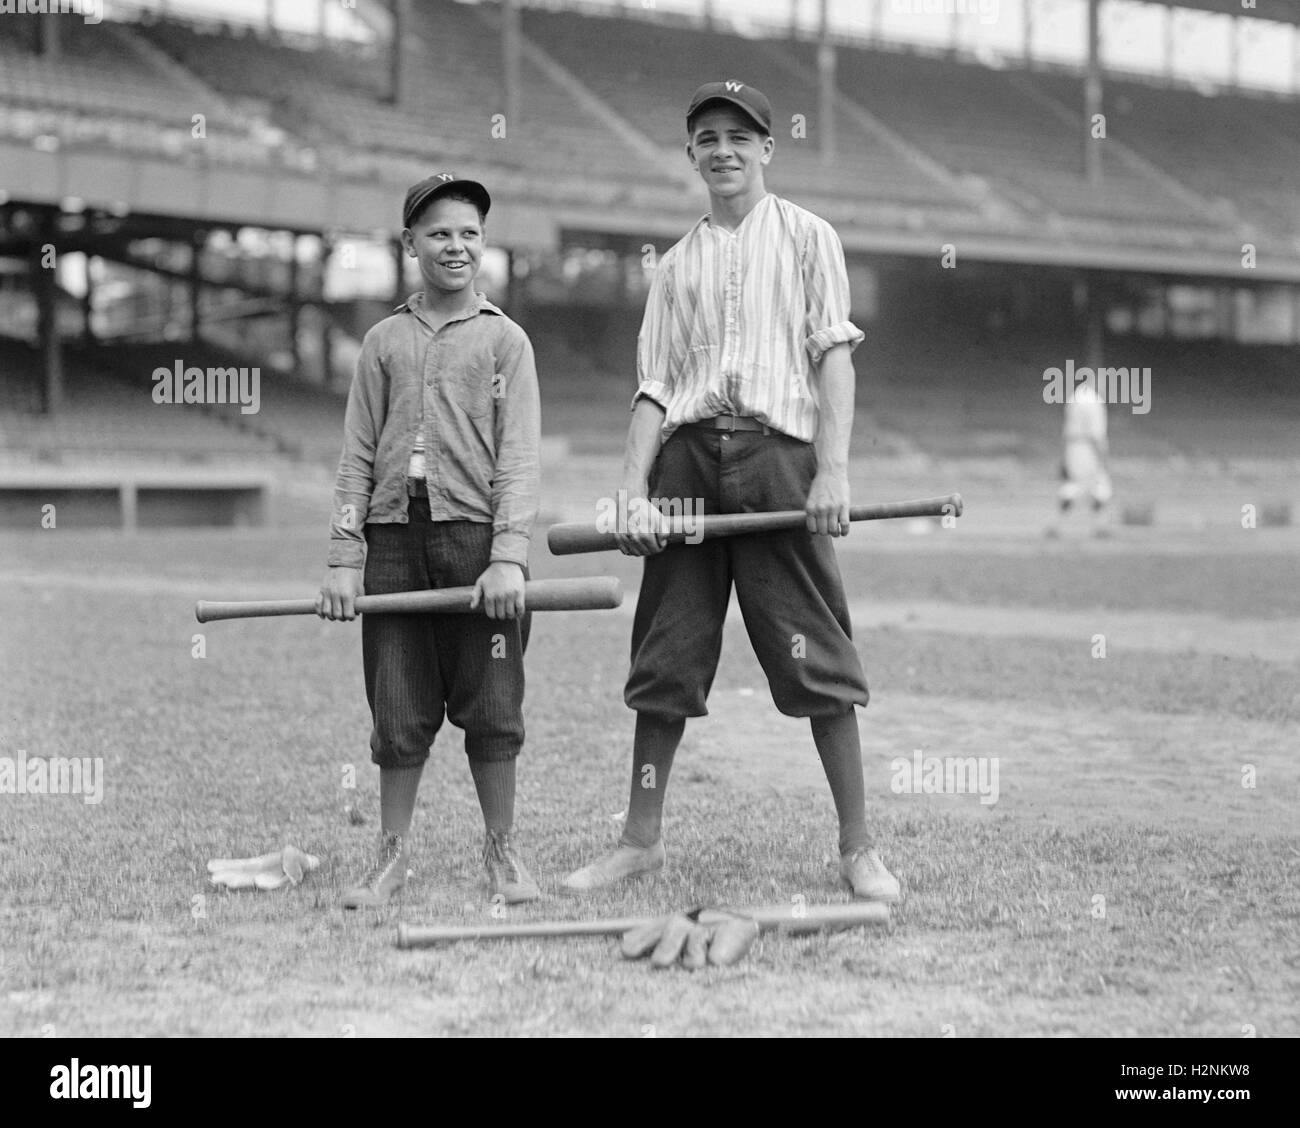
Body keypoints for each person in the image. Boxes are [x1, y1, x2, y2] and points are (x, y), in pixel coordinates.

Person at [561, 82, 899, 904]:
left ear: (766, 148)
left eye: (739, 136)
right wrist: (631, 492)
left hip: (780, 457)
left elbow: (833, 358)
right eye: (707, 137)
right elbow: (654, 389)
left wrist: (835, 470)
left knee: (817, 652)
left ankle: (858, 846)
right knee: (666, 655)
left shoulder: (812, 238)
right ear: (691, 153)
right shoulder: (674, 266)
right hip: (687, 469)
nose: (723, 150)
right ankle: (639, 841)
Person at [317, 172, 542, 909]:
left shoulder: (506, 341)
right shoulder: (383, 342)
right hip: (393, 543)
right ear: (410, 241)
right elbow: (355, 456)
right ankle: (391, 857)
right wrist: (345, 561)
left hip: (478, 543)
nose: (456, 246)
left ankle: (502, 852)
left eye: (470, 233)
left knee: (492, 701)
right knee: (398, 704)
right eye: (440, 232)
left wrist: (508, 556)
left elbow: (518, 460)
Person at [1053, 382, 1111, 536]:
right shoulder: (1094, 402)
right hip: (1087, 448)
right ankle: (1098, 527)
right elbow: (1096, 434)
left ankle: (1098, 526)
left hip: (1073, 447)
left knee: (1083, 485)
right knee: (1096, 484)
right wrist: (1103, 456)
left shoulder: (1075, 398)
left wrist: (1063, 456)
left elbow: (1066, 430)